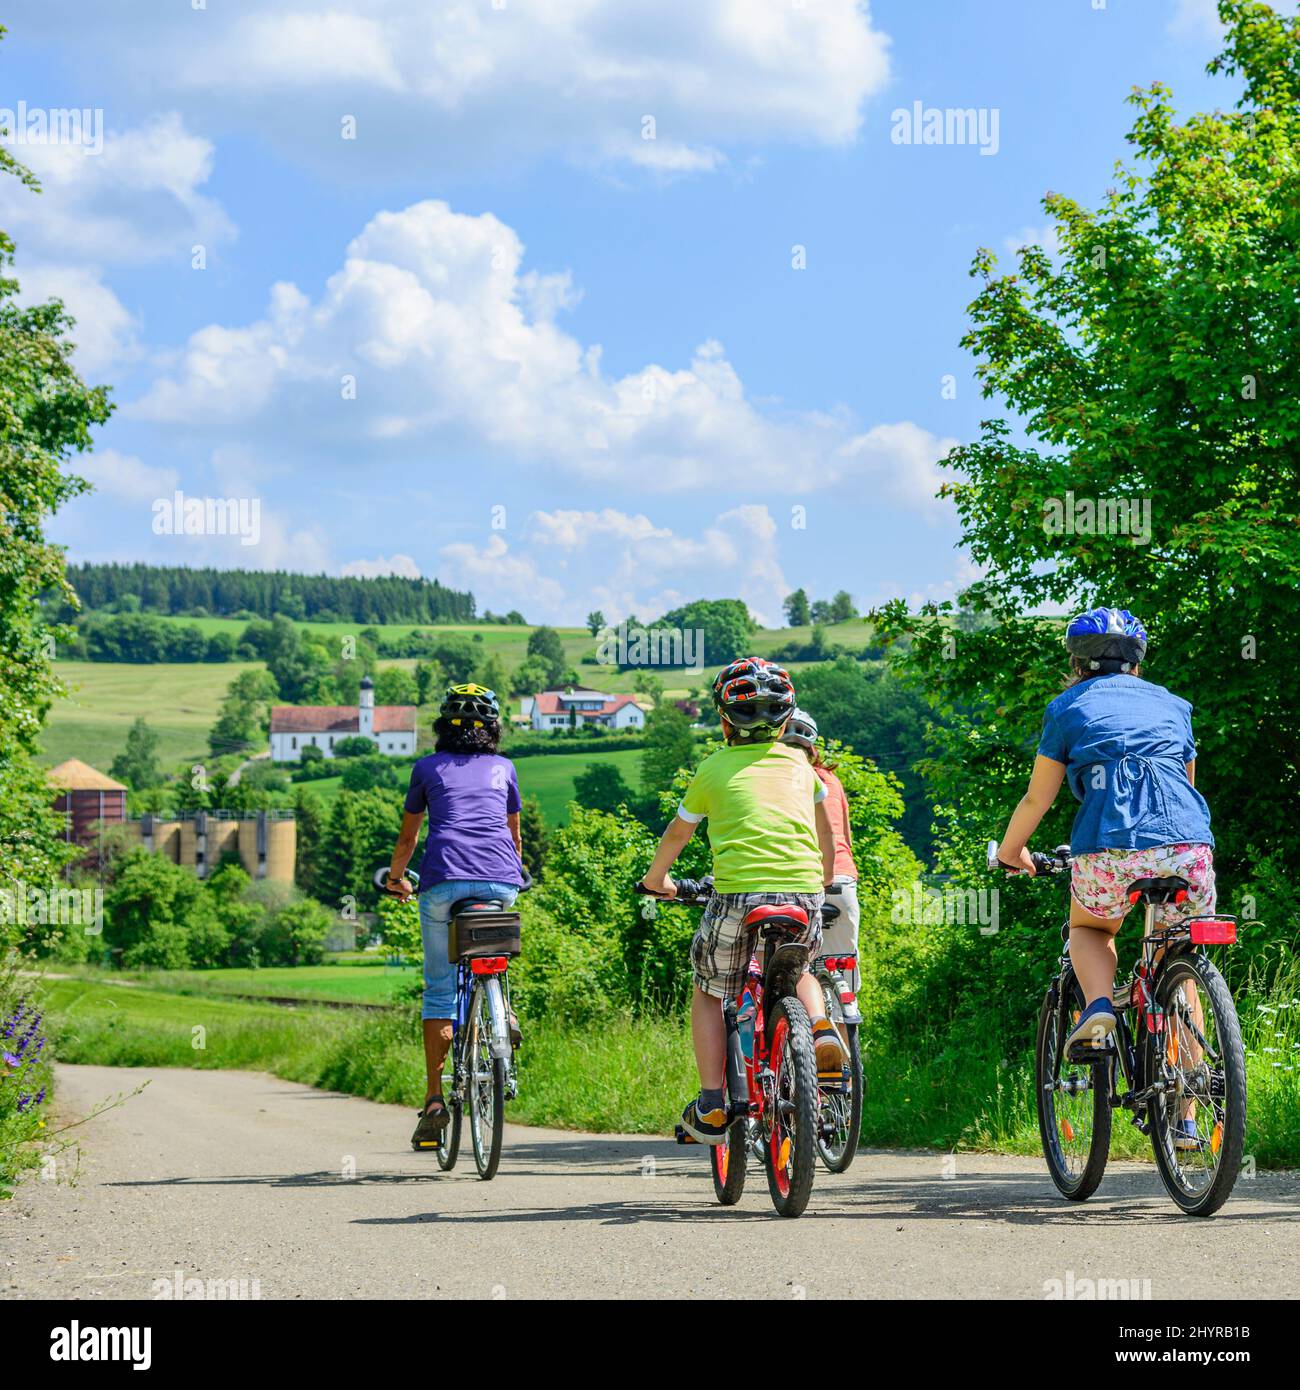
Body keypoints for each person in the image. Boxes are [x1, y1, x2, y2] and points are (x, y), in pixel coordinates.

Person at [995, 607, 1215, 1149]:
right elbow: (1184, 783)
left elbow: (1037, 797)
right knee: (1179, 966)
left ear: (1075, 661)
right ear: (1138, 661)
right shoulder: (1174, 705)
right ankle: (1186, 1116)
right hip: (1188, 846)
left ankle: (1097, 1008)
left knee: (1091, 931)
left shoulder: (1065, 709)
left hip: (1108, 848)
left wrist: (1010, 851)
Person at [640, 657, 844, 1145]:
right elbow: (827, 838)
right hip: (802, 892)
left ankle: (712, 1100)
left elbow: (677, 833)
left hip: (737, 896)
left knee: (711, 989)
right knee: (802, 974)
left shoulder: (712, 769)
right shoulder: (801, 765)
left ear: (724, 719)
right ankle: (819, 1030)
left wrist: (656, 880)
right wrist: (826, 882)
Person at [386, 683, 525, 1149]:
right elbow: (514, 838)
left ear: (443, 727)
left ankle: (432, 1100)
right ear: (493, 729)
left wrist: (395, 878)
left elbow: (408, 841)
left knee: (440, 989)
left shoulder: (426, 768)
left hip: (443, 881)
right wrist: (514, 876)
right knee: (495, 947)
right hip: (499, 882)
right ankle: (502, 1012)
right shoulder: (505, 768)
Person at [781, 709, 861, 1012]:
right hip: (842, 884)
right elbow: (846, 841)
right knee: (844, 983)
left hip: (798, 884)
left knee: (788, 975)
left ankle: (800, 1039)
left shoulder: (779, 778)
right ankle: (844, 1048)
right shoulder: (832, 781)